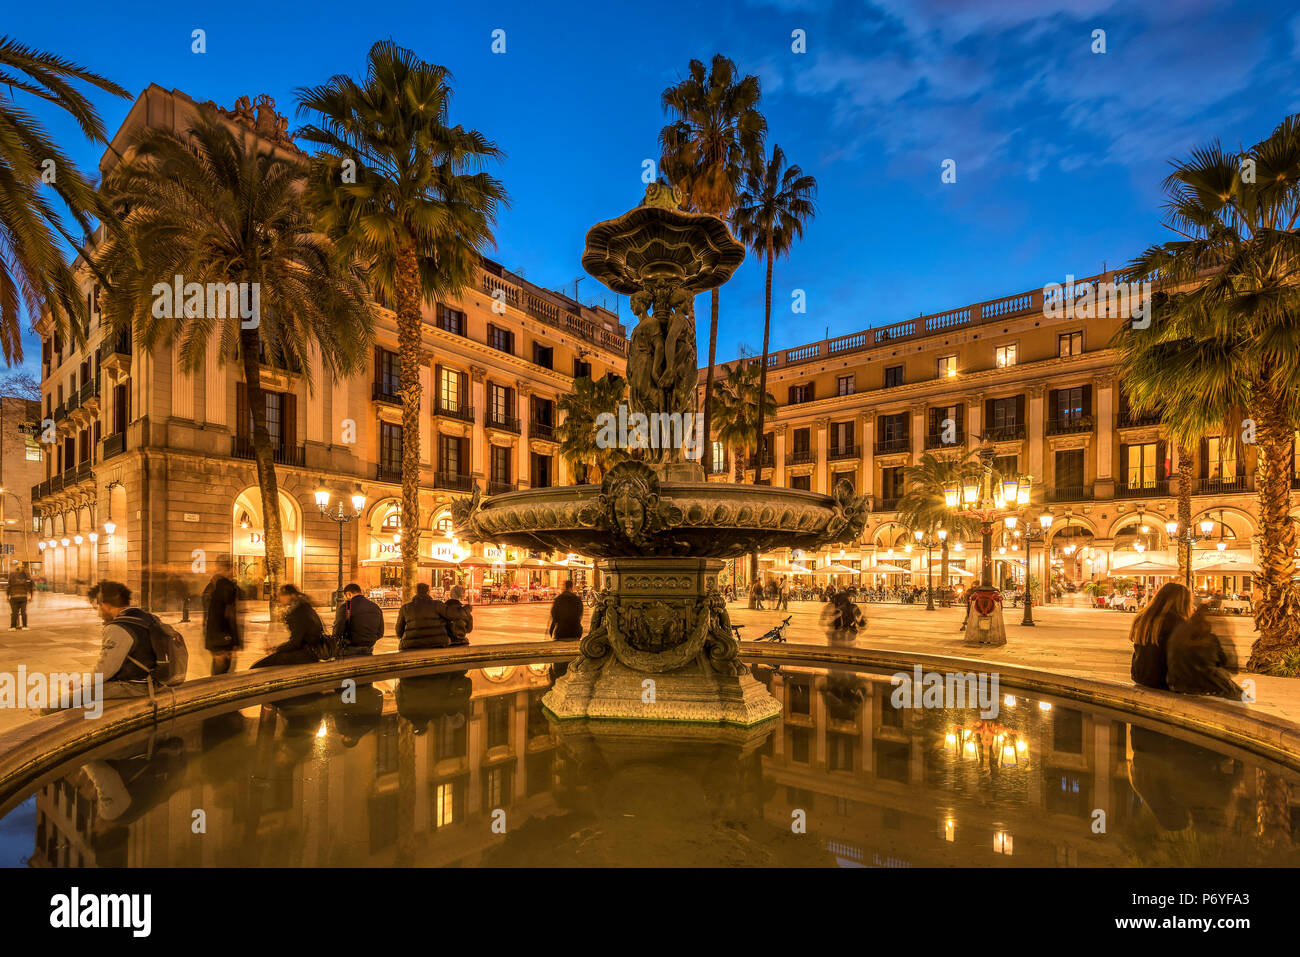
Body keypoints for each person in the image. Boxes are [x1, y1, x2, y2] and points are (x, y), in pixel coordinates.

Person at [91, 581, 162, 698]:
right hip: (156, 681)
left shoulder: (118, 627)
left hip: (138, 686)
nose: (99, 613)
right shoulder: (147, 617)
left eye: (98, 606)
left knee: (69, 701)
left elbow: (106, 669)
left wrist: (83, 684)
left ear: (105, 605)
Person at [1166, 604, 1245, 700]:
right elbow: (1223, 661)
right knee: (1240, 695)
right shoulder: (1210, 640)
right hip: (1205, 687)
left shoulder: (1178, 636)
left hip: (1180, 686)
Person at [1128, 581, 1192, 690]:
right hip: (1163, 681)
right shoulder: (1177, 623)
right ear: (1183, 602)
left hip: (1141, 676)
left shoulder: (1143, 618)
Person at [250, 585, 328, 668]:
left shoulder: (297, 612)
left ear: (291, 595)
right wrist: (278, 648)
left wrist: (276, 650)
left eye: (282, 595)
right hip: (314, 648)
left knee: (259, 665)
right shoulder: (304, 606)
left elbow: (295, 642)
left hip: (309, 652)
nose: (280, 598)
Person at [201, 560, 242, 675]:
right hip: (222, 641)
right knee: (221, 674)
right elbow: (225, 616)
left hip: (220, 641)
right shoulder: (226, 588)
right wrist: (228, 642)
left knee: (221, 673)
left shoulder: (213, 587)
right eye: (231, 569)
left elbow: (209, 617)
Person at [332, 583, 384, 656]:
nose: (346, 600)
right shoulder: (375, 607)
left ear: (349, 594)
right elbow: (380, 633)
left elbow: (337, 632)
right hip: (368, 649)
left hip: (349, 649)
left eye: (345, 597)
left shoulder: (346, 607)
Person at [396, 582, 451, 650]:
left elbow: (399, 631)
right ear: (428, 592)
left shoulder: (405, 608)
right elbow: (450, 620)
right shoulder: (438, 605)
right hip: (437, 643)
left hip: (411, 645)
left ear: (416, 592)